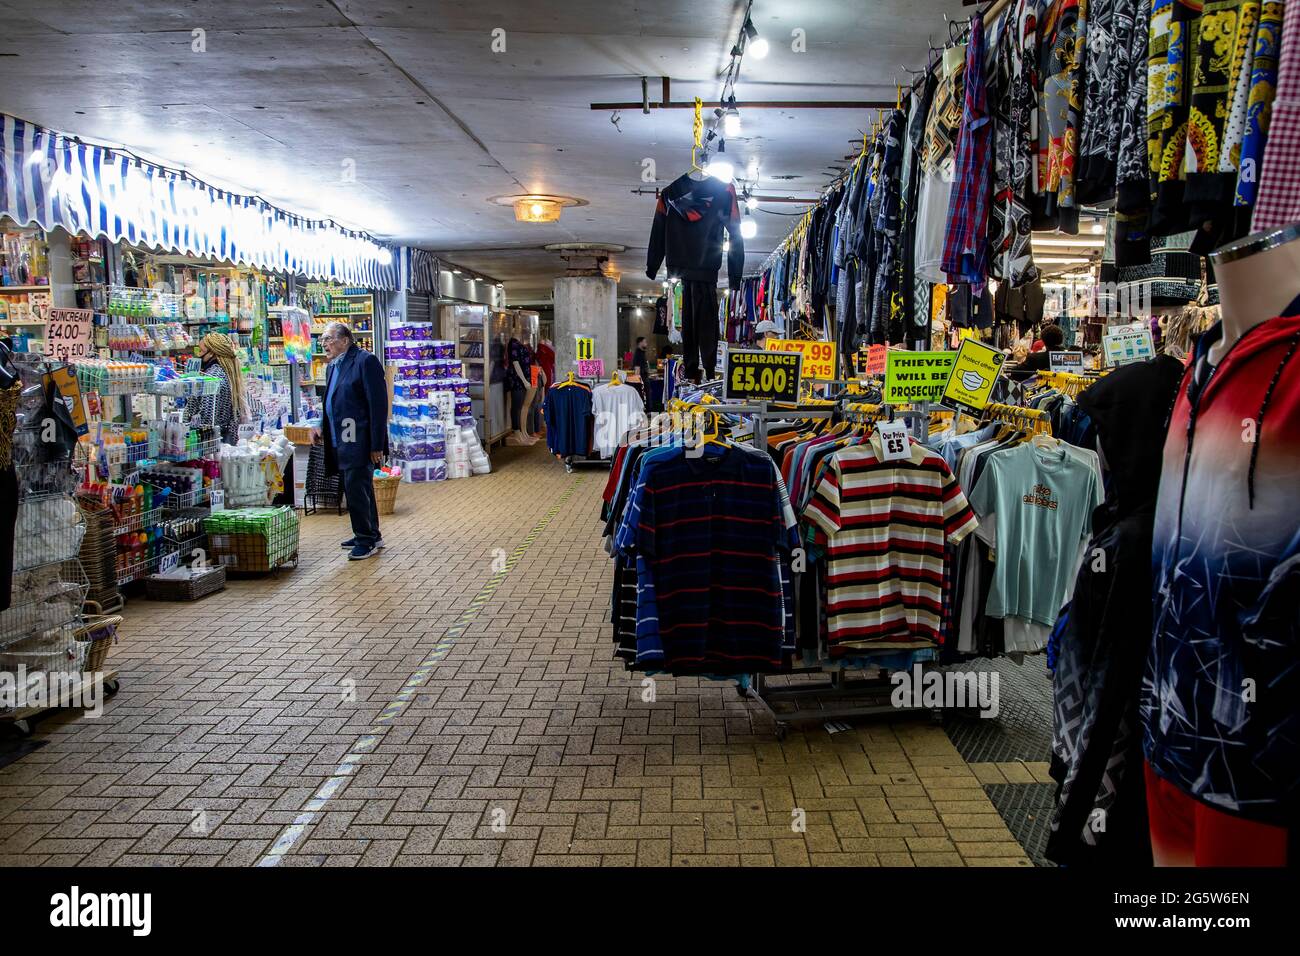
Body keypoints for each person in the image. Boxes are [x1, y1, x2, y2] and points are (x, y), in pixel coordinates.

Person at [313, 322, 389, 560]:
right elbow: (331, 401)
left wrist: (377, 444)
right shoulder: (333, 366)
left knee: (356, 488)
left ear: (345, 340)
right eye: (322, 340)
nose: (324, 344)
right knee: (357, 487)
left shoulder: (365, 361)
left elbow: (377, 406)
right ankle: (371, 534)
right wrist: (320, 426)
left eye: (329, 339)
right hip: (340, 437)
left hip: (359, 438)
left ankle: (365, 540)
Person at [195, 333, 248, 444]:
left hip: (213, 442)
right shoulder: (228, 372)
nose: (198, 355)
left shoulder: (212, 378)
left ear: (211, 353)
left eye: (200, 351)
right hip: (229, 437)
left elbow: (207, 417)